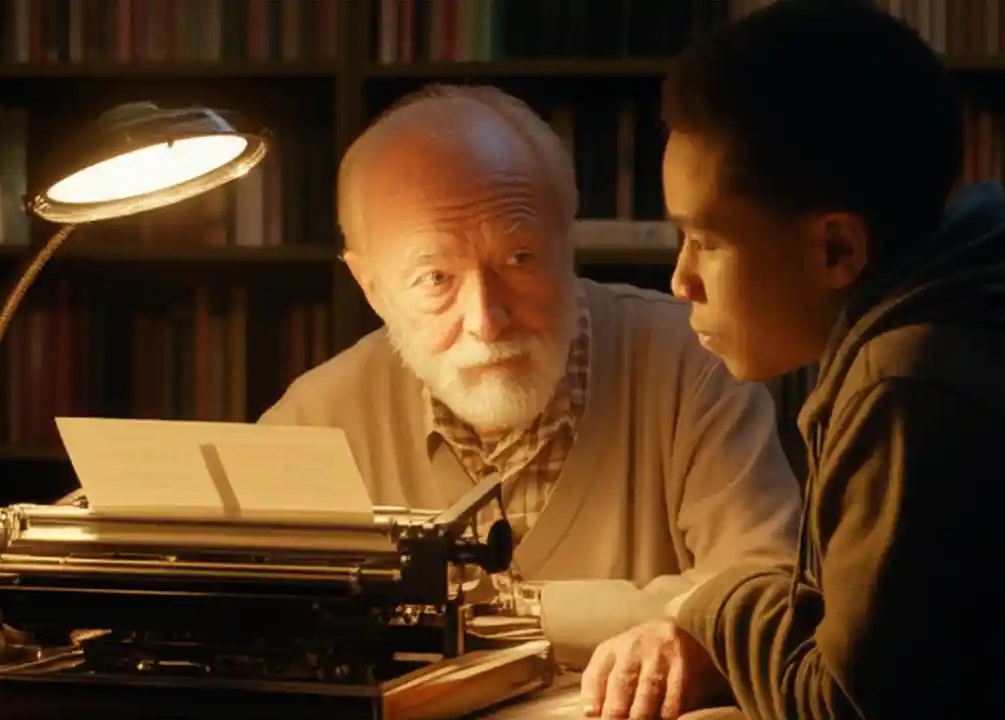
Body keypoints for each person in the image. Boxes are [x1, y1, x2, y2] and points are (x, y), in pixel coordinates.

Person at [580, 2, 1005, 719]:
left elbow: (842, 704)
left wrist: (708, 601)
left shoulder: (918, 387)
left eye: (706, 241)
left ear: (837, 249)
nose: (681, 280)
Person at [257, 83, 802, 677]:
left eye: (519, 259)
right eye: (436, 278)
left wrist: (495, 612)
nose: (487, 320)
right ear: (372, 289)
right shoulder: (315, 423)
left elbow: (762, 591)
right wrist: (644, 614)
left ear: (568, 244)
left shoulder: (693, 364)